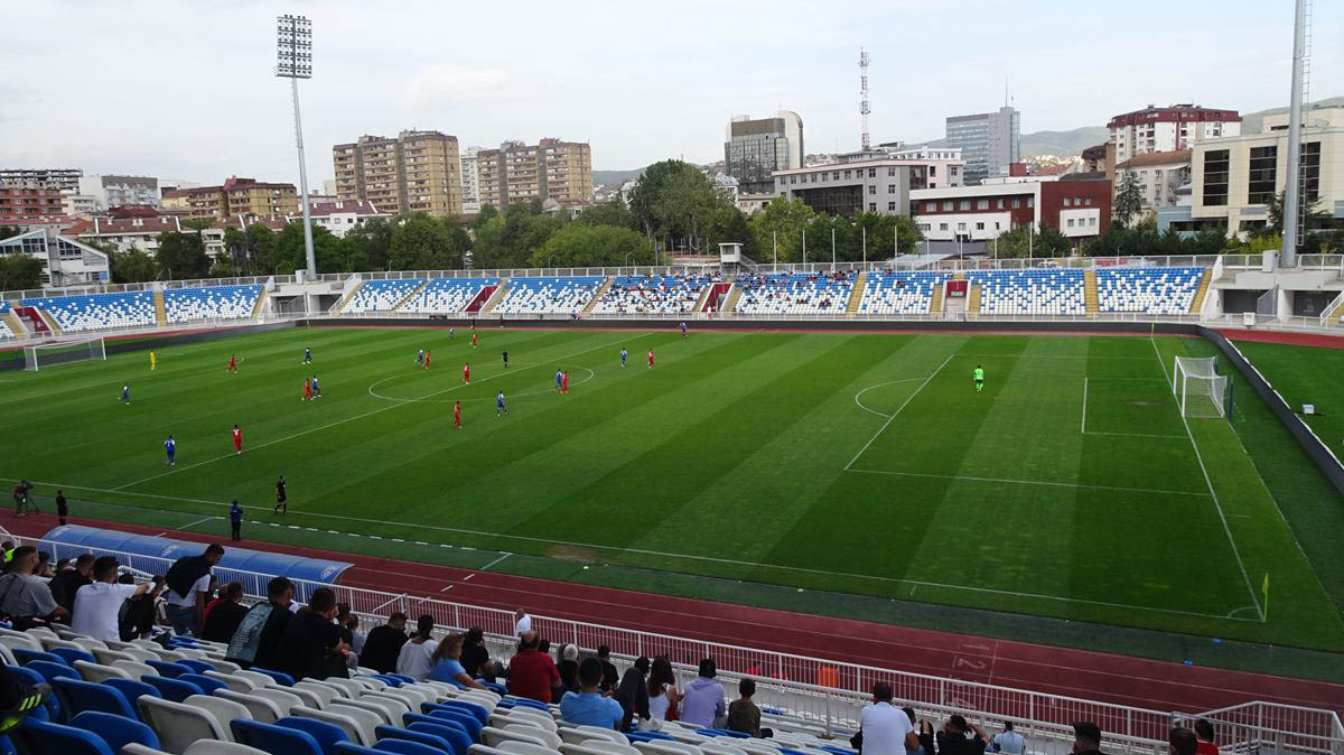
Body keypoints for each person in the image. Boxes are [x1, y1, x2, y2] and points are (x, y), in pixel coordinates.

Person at [70, 556, 155, 642]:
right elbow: (146, 587)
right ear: (115, 574)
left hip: (77, 642)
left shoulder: (81, 590)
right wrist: (152, 584)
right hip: (108, 644)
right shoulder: (117, 590)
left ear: (94, 573)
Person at [277, 586, 351, 681]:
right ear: (331, 608)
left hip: (283, 670)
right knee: (339, 659)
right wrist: (332, 618)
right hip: (305, 677)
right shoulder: (327, 626)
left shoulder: (296, 618)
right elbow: (338, 647)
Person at [226, 576, 295, 669]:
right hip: (257, 668)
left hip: (233, 661)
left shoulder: (256, 608)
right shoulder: (287, 616)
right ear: (288, 593)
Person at [163, 543, 224, 636]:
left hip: (170, 608)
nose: (217, 562)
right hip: (186, 611)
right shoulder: (204, 574)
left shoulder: (184, 560)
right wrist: (201, 624)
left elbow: (168, 578)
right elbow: (200, 601)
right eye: (218, 559)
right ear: (212, 555)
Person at [0, 546, 66, 626]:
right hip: (24, 628)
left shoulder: (3, 579)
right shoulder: (37, 585)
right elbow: (54, 610)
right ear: (33, 559)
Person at [854, 682, 919, 755]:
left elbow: (863, 732)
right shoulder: (902, 715)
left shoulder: (866, 712)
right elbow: (915, 745)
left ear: (874, 697)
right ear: (891, 697)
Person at [560, 657, 623, 730]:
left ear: (578, 677)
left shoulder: (567, 699)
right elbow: (619, 725)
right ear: (601, 678)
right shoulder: (612, 706)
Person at [507, 632, 559, 702]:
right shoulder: (546, 659)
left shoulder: (514, 659)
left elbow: (509, 681)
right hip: (541, 704)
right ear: (538, 644)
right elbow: (557, 683)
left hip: (517, 703)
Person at [680, 658, 726, 727]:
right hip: (703, 731)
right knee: (723, 717)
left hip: (683, 727)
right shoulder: (718, 689)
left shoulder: (687, 686)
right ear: (714, 673)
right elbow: (721, 711)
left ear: (699, 672)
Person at [395, 615, 437, 681]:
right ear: (431, 627)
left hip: (404, 680)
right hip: (421, 682)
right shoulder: (434, 645)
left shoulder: (407, 644)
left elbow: (399, 664)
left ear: (418, 626)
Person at [615, 656, 651, 730]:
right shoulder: (639, 678)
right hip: (624, 726)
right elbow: (644, 708)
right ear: (647, 671)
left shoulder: (627, 677)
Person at [648, 656, 681, 722]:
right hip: (661, 725)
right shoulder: (671, 688)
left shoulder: (647, 684)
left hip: (646, 722)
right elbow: (675, 710)